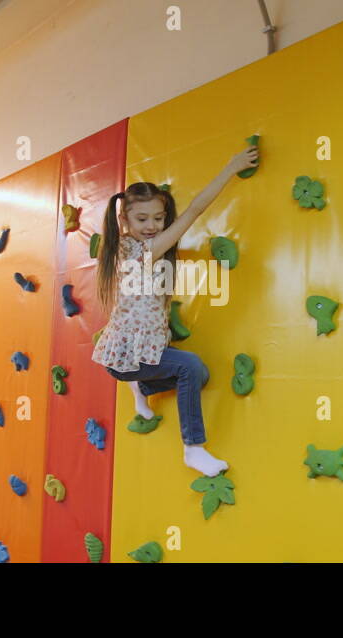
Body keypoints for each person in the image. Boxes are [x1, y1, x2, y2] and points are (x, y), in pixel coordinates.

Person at [91, 145, 258, 476]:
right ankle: (193, 448)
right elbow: (195, 210)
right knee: (190, 367)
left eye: (159, 218)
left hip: (135, 356)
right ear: (124, 219)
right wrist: (230, 167)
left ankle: (143, 387)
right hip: (128, 357)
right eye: (142, 219)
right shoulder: (139, 252)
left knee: (200, 375)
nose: (152, 226)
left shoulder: (132, 245)